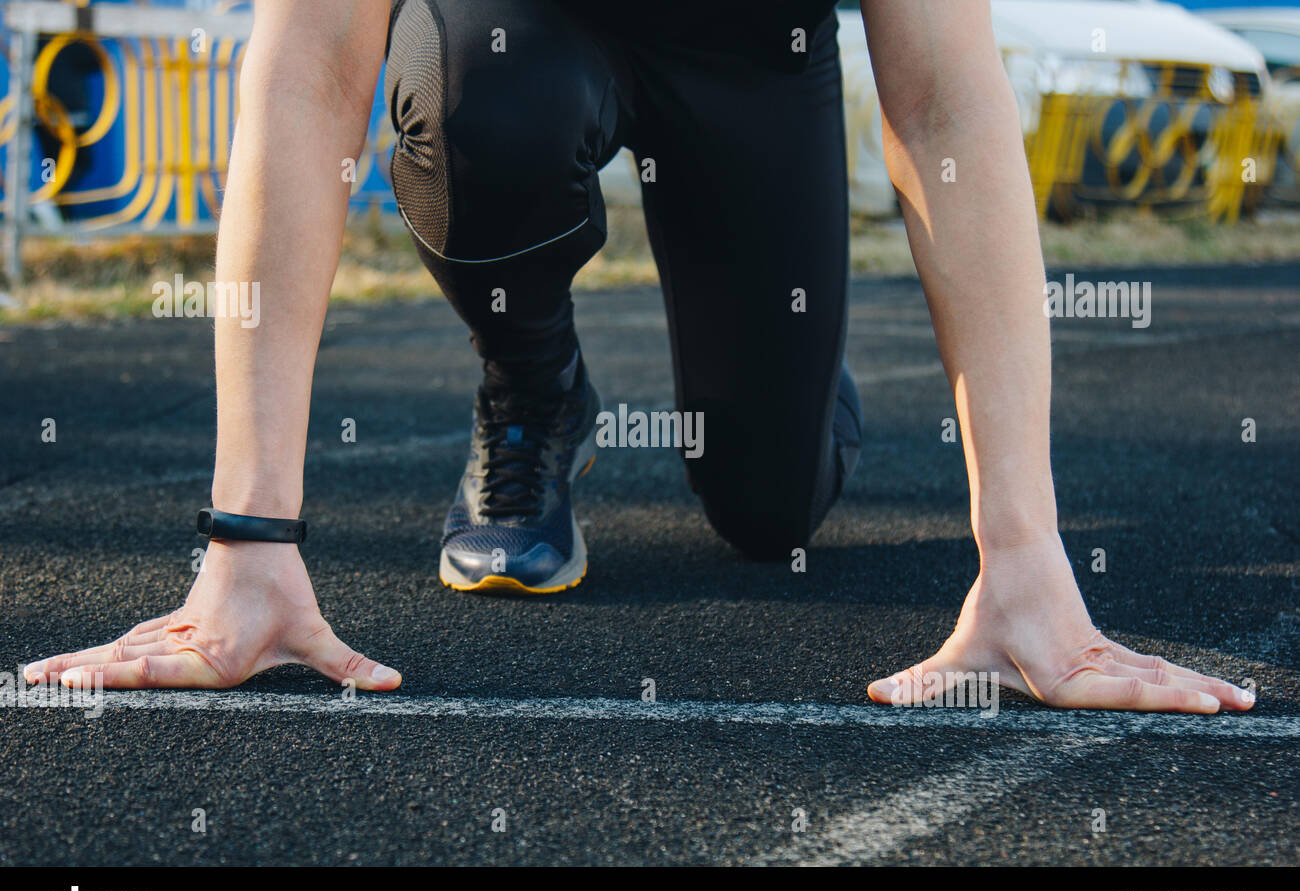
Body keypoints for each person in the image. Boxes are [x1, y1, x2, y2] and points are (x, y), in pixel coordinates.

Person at [23, 0, 1254, 714]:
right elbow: (304, 75)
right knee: (472, 103)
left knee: (770, 501)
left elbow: (943, 104)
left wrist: (1026, 555)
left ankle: (788, 357)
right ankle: (533, 387)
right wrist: (247, 542)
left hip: (747, 46)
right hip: (522, 36)